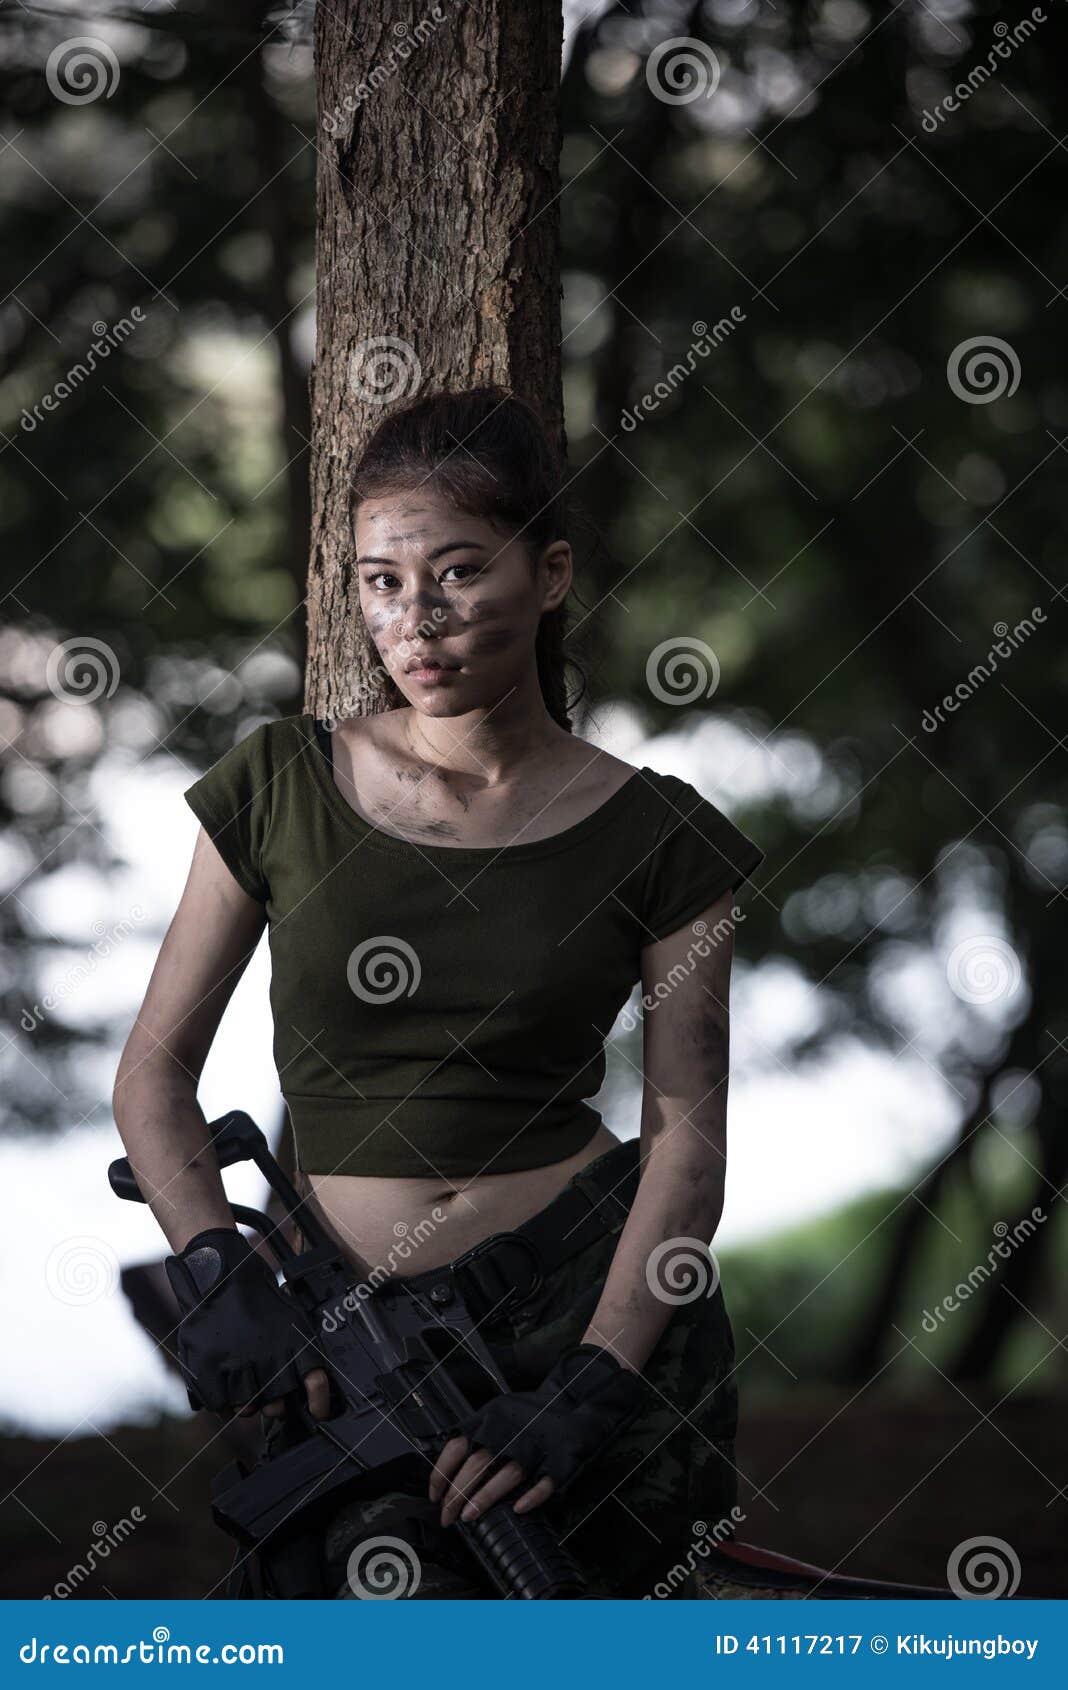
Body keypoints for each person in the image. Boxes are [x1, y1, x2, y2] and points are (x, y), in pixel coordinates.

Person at [112, 386, 764, 1600]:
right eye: (380, 581)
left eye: (461, 571)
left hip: (585, 1306)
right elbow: (153, 1071)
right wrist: (212, 1261)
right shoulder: (277, 785)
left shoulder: (664, 835)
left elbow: (690, 1142)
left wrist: (600, 1377)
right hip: (349, 1346)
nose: (417, 619)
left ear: (551, 571)